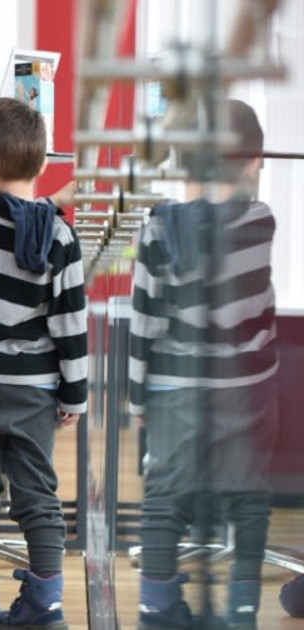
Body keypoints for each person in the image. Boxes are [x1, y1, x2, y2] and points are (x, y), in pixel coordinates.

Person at [128, 100, 279, 630]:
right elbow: (261, 314)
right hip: (244, 387)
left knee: (164, 498)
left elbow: (144, 322)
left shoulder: (156, 229)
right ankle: (242, 613)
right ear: (249, 163)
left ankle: (158, 609)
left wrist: (137, 398)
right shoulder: (260, 221)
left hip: (174, 387)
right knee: (249, 499)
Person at [0, 97, 86, 630]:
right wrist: (74, 396)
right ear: (44, 164)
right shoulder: (60, 238)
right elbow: (70, 325)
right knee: (38, 499)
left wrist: (48, 202)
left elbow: (6, 217)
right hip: (32, 391)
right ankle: (46, 608)